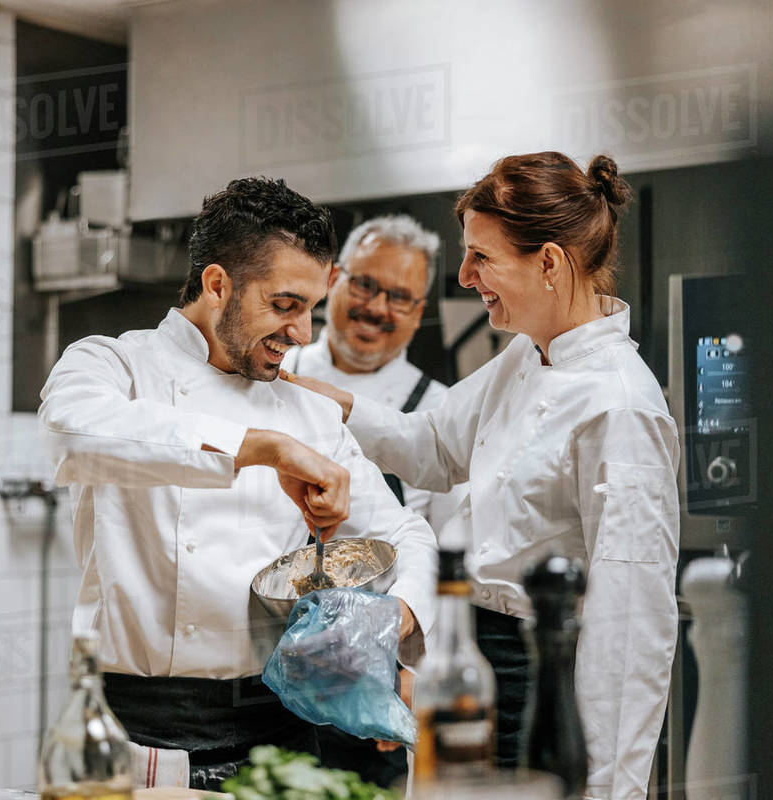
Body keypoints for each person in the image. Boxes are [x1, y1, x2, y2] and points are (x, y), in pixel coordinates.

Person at [283, 152, 680, 800]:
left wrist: (609, 788)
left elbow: (631, 629)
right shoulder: (526, 357)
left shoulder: (620, 404)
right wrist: (301, 396)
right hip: (470, 660)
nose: (466, 278)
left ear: (549, 263)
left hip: (539, 682)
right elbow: (431, 443)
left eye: (482, 258)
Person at [38, 177, 438, 790]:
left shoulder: (309, 413)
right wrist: (262, 449)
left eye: (311, 309)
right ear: (218, 284)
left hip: (283, 737)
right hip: (142, 732)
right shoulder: (113, 364)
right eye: (283, 306)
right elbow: (74, 434)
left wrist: (394, 620)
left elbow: (407, 534)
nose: (302, 334)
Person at [281, 214, 468, 786]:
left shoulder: (437, 411)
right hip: (274, 665)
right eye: (364, 285)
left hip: (380, 675)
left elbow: (449, 553)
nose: (377, 308)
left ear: (417, 314)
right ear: (333, 278)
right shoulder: (273, 372)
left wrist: (416, 672)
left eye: (401, 298)